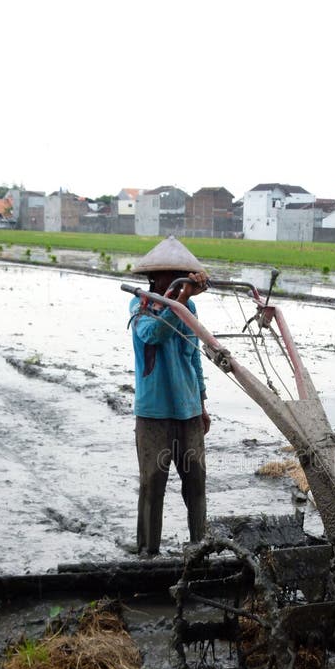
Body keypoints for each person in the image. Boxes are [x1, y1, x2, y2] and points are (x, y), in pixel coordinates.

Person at [127, 237, 211, 556]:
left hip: (188, 412)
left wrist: (202, 404)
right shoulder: (140, 305)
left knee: (196, 483)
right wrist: (179, 302)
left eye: (180, 274)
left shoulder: (189, 307)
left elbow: (194, 355)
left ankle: (200, 547)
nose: (175, 280)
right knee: (153, 484)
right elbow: (153, 334)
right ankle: (148, 552)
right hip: (154, 414)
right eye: (169, 275)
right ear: (155, 278)